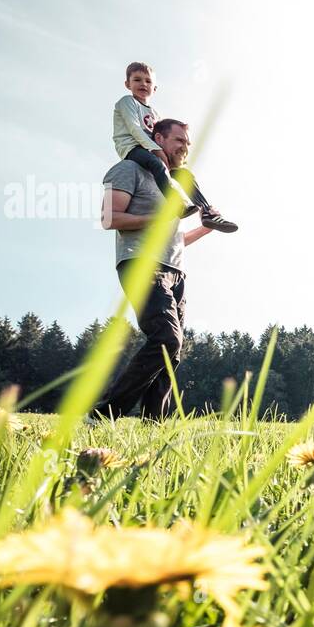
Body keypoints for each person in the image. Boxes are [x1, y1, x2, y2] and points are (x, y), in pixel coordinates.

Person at [93, 119, 232, 420]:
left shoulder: (172, 186)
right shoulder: (129, 170)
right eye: (179, 140)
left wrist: (206, 229)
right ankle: (104, 413)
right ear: (158, 138)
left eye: (188, 143)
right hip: (141, 263)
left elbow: (175, 238)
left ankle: (154, 423)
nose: (185, 147)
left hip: (175, 271)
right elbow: (109, 218)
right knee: (167, 338)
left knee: (173, 352)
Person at [112, 61, 238, 233]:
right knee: (156, 164)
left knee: (183, 174)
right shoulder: (127, 102)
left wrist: (171, 158)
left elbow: (160, 136)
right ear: (128, 84)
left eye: (148, 81)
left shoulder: (155, 113)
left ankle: (207, 211)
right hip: (132, 147)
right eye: (137, 80)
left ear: (155, 88)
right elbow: (134, 129)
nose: (143, 84)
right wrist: (157, 151)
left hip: (151, 149)